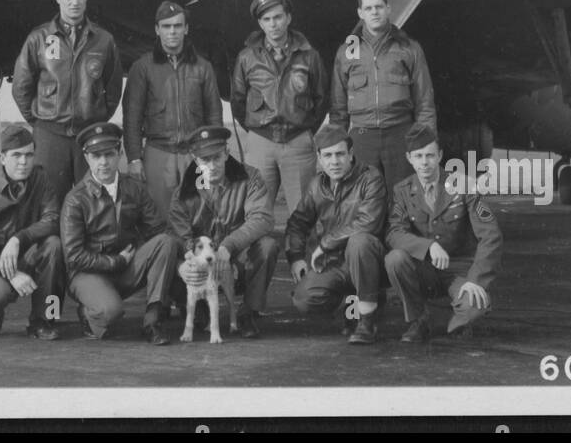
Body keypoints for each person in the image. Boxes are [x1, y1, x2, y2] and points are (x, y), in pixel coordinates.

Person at [60, 122, 182, 344]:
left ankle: (152, 321)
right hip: (88, 273)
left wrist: (186, 258)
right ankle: (88, 312)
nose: (103, 162)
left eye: (109, 154)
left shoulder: (134, 187)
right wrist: (114, 262)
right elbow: (73, 257)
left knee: (165, 242)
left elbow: (158, 230)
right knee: (110, 314)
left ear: (120, 153)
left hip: (125, 267)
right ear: (87, 158)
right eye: (96, 156)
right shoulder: (75, 199)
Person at [11, 0, 123, 196]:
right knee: (48, 203)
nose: (75, 2)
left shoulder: (104, 41)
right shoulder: (38, 38)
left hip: (89, 136)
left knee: (93, 204)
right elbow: (21, 87)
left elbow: (113, 90)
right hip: (50, 136)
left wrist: (95, 118)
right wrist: (41, 122)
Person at [384, 128, 503, 342]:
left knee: (473, 306)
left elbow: (491, 236)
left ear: (439, 156)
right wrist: (427, 246)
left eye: (430, 155)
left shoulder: (464, 185)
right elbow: (394, 232)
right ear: (409, 158)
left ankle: (455, 325)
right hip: (425, 267)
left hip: (459, 270)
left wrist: (476, 280)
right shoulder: (402, 190)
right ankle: (418, 320)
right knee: (395, 259)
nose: (424, 162)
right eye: (418, 156)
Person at [168, 125, 277, 338]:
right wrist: (185, 264)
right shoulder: (183, 191)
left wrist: (229, 246)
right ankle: (197, 308)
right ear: (195, 159)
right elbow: (177, 233)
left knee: (267, 246)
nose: (212, 165)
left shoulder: (250, 177)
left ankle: (248, 313)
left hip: (236, 257)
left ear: (227, 153)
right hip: (199, 263)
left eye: (217, 157)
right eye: (205, 159)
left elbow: (262, 218)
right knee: (167, 249)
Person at [230, 0, 329, 221]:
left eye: (277, 17)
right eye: (266, 19)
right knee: (255, 213)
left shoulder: (309, 56)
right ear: (260, 24)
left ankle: (300, 258)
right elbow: (237, 100)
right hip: (261, 143)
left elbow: (322, 98)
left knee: (303, 216)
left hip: (297, 142)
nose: (273, 24)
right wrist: (256, 133)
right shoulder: (246, 57)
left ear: (288, 18)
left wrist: (304, 132)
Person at [330, 0, 437, 194]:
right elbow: (338, 108)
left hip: (400, 135)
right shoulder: (346, 52)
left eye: (379, 7)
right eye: (368, 8)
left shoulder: (409, 48)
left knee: (402, 201)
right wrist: (336, 146)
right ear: (360, 13)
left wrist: (426, 143)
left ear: (388, 9)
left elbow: (424, 101)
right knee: (364, 202)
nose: (374, 12)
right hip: (362, 138)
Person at [122, 1, 224, 221]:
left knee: (199, 217)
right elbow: (132, 117)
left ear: (186, 28)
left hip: (195, 155)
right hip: (159, 153)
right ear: (157, 30)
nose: (172, 32)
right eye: (166, 26)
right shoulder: (142, 67)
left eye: (178, 26)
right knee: (159, 218)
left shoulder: (203, 67)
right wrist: (133, 158)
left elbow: (214, 115)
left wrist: (213, 154)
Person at [285, 126, 388, 344]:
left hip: (369, 259)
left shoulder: (370, 178)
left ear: (351, 154)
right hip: (335, 263)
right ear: (319, 158)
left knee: (359, 241)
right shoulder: (317, 185)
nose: (335, 161)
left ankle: (367, 321)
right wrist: (295, 257)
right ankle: (352, 304)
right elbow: (297, 222)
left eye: (340, 154)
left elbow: (368, 223)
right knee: (304, 299)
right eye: (328, 155)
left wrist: (324, 244)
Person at [0, 123, 63, 340]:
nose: (23, 162)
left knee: (54, 245)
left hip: (24, 253)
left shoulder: (40, 179)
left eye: (29, 155)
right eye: (16, 155)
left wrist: (19, 238)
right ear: (2, 158)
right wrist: (11, 274)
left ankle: (41, 321)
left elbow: (53, 218)